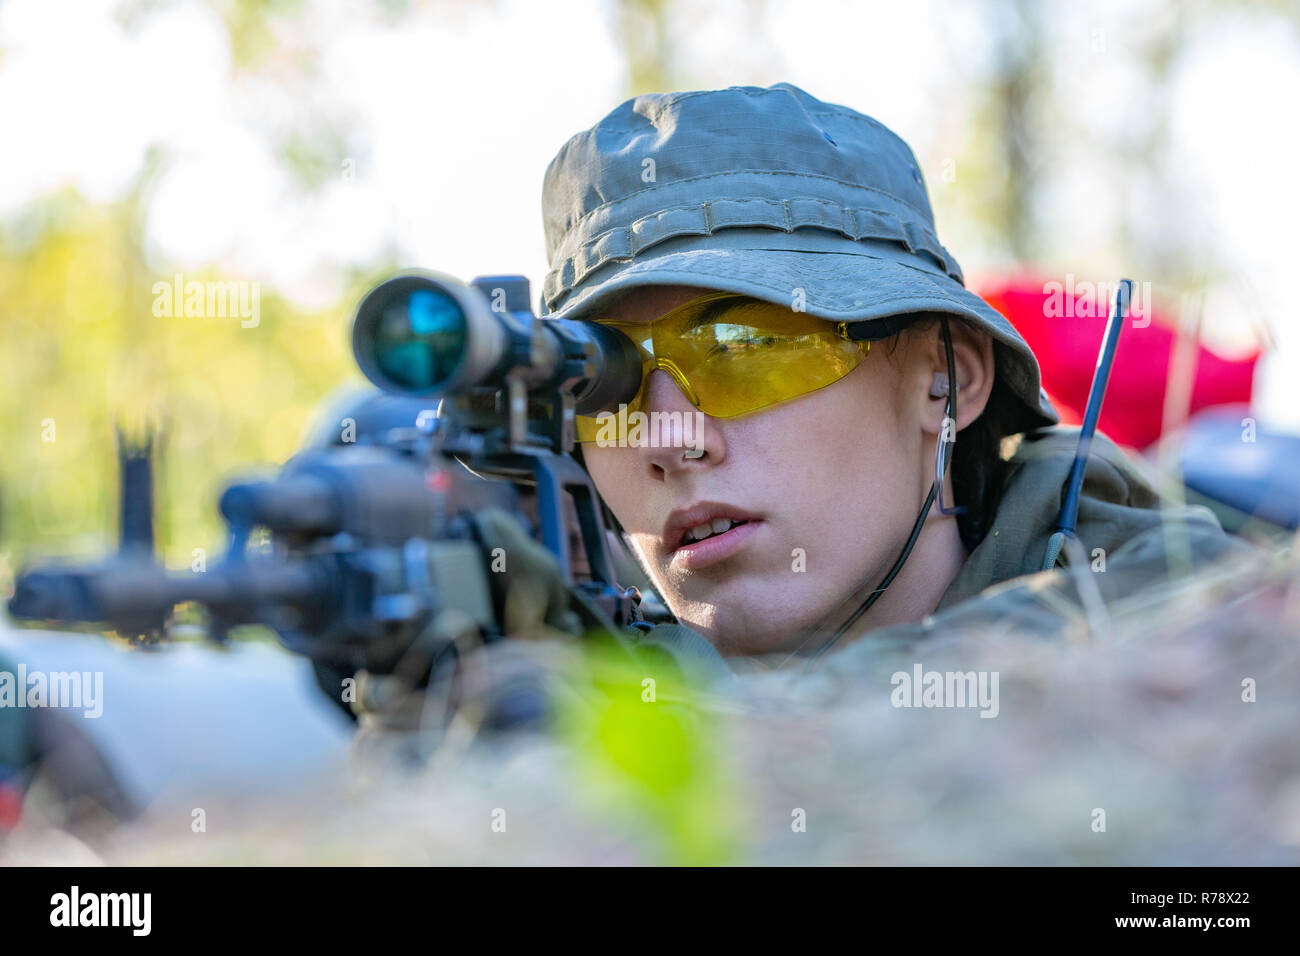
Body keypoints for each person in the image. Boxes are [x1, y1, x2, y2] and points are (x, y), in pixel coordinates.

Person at [538, 82, 1249, 666]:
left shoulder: (1184, 621)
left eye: (743, 347)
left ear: (948, 379)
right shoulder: (582, 672)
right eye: (607, 386)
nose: (664, 439)